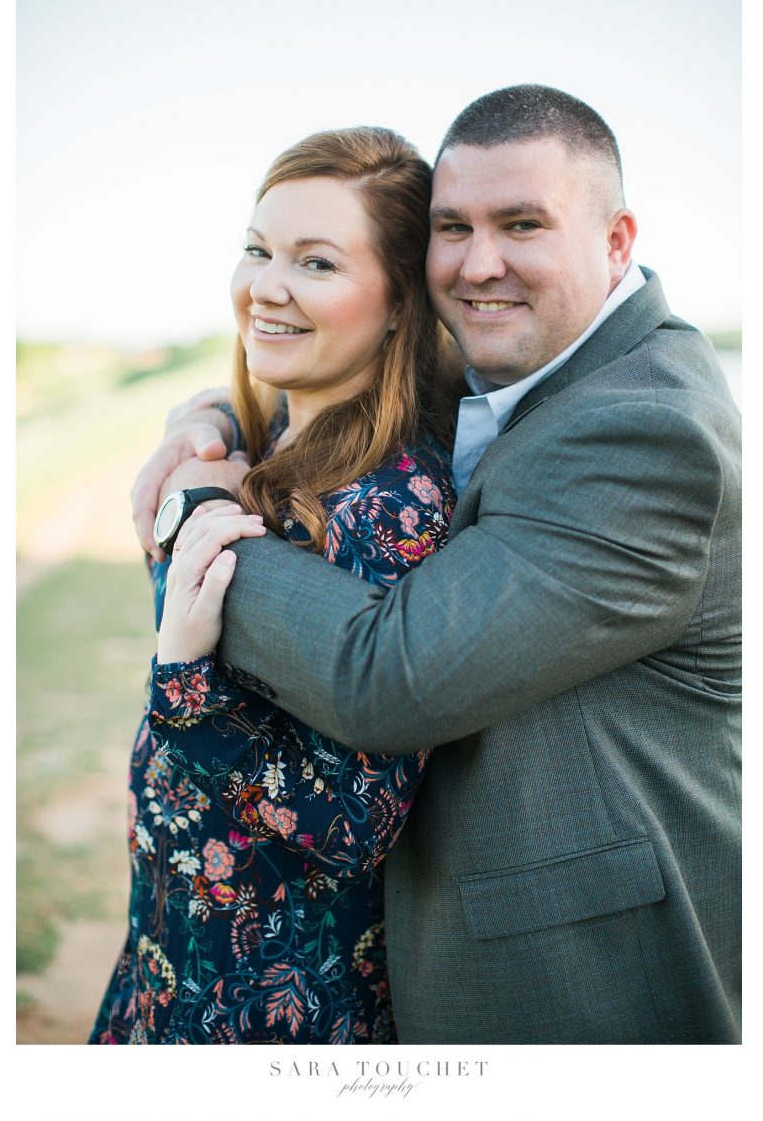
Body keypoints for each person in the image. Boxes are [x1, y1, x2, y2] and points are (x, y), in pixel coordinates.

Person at [132, 85, 741, 1045]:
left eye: (523, 223)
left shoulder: (649, 428)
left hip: (580, 986)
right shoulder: (518, 351)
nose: (478, 262)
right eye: (452, 227)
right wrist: (215, 416)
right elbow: (347, 350)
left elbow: (390, 677)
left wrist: (199, 521)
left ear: (618, 239)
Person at [90, 126, 457, 1044]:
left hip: (274, 1002)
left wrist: (182, 679)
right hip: (169, 953)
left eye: (316, 262)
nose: (265, 285)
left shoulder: (390, 506)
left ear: (399, 302)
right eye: (257, 248)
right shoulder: (248, 448)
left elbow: (353, 819)